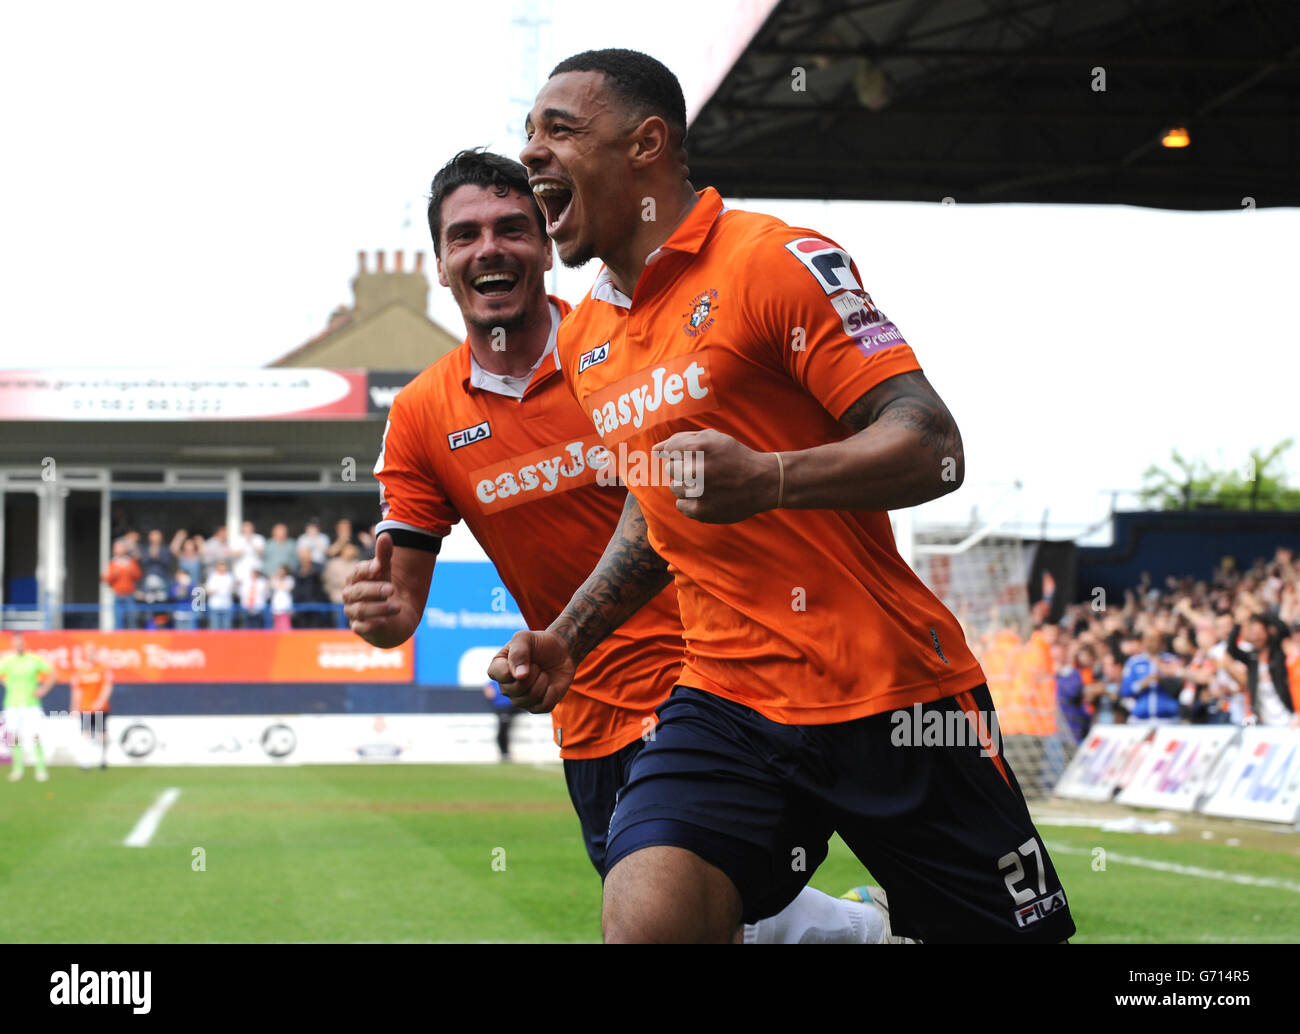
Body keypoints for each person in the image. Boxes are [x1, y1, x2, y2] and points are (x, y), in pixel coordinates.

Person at [497, 49, 1074, 943]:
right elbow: (659, 508)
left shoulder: (778, 261)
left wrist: (769, 477)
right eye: (527, 134)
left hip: (892, 692)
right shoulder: (590, 337)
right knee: (648, 919)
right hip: (726, 698)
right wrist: (568, 637)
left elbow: (934, 445)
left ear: (647, 143)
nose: (532, 153)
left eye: (558, 131)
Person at [348, 149, 895, 945]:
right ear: (440, 264)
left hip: (715, 678)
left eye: (511, 228)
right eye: (464, 236)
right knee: (693, 920)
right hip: (587, 707)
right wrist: (380, 610)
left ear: (547, 244)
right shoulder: (423, 413)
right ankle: (864, 933)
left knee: (660, 919)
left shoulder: (622, 353)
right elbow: (398, 605)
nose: (488, 248)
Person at [1, 632, 55, 782]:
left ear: (24, 644)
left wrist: (43, 689)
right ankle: (18, 768)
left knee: (35, 735)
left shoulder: (34, 659)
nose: (18, 645)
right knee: (15, 737)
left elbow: (52, 674)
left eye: (20, 642)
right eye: (15, 643)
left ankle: (40, 768)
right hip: (12, 703)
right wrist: (6, 683)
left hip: (31, 704)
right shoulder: (7, 660)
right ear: (12, 644)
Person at [69, 642, 113, 769]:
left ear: (95, 653)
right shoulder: (80, 670)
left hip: (100, 708)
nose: (90, 654)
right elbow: (77, 689)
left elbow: (107, 686)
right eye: (87, 652)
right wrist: (74, 705)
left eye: (92, 652)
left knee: (102, 733)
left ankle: (102, 759)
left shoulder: (102, 668)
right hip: (86, 707)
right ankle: (86, 761)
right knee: (86, 733)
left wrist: (100, 701)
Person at [101, 539, 142, 630]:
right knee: (118, 619)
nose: (119, 550)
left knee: (132, 618)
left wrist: (131, 571)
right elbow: (105, 578)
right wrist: (114, 574)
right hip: (117, 594)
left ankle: (133, 638)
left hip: (130, 594)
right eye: (117, 548)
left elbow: (138, 575)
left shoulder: (131, 562)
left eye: (121, 547)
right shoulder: (112, 563)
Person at [483, 679, 521, 762]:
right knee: (502, 732)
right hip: (501, 708)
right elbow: (489, 694)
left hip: (507, 708)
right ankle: (504, 753)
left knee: (503, 732)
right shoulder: (492, 682)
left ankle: (505, 753)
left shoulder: (510, 680)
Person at [204, 560, 236, 630]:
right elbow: (208, 591)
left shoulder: (229, 577)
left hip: (226, 604)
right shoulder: (212, 577)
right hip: (215, 604)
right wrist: (215, 590)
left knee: (227, 626)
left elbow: (233, 590)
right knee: (214, 626)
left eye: (223, 567)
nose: (222, 568)